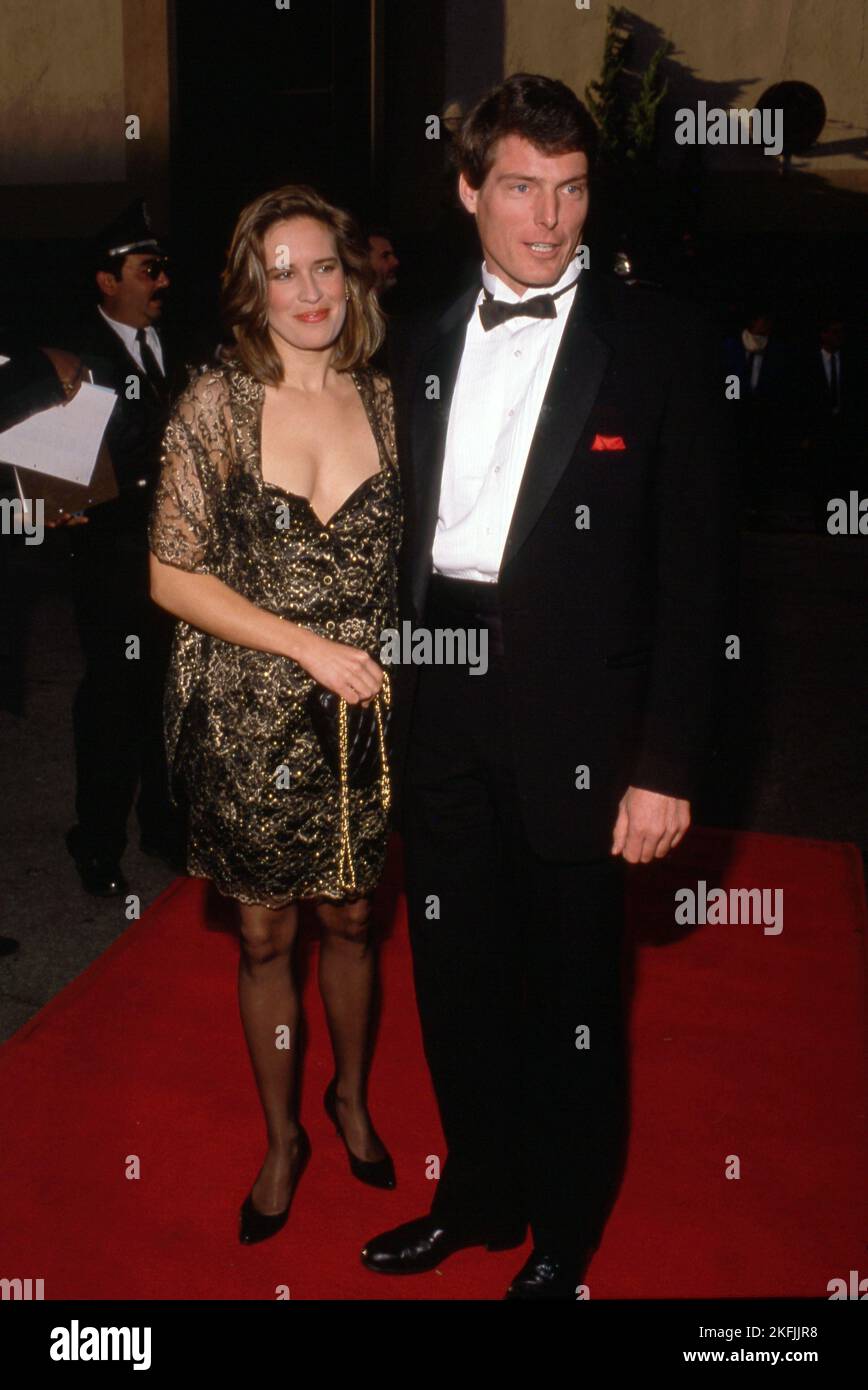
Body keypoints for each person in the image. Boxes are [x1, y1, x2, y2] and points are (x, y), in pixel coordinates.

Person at [362, 73, 737, 1299]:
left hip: (586, 713)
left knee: (575, 996)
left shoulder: (660, 339)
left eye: (571, 190)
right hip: (441, 693)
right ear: (468, 186)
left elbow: (698, 576)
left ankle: (563, 1235)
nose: (548, 219)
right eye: (520, 187)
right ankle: (474, 1199)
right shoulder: (414, 335)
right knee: (454, 977)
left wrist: (666, 765)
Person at [148, 185, 402, 1244]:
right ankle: (281, 1135)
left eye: (324, 266)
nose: (309, 290)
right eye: (282, 271)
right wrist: (304, 646)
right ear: (251, 291)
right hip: (249, 709)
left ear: (353, 273)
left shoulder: (394, 399)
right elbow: (170, 575)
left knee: (350, 915)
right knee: (263, 933)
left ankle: (349, 1096)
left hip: (369, 714)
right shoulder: (214, 404)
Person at [63, 200, 187, 895]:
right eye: (148, 270)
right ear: (108, 281)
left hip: (180, 555)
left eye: (164, 269)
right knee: (113, 699)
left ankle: (165, 824)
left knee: (171, 696)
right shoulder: (74, 357)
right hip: (113, 558)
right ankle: (97, 841)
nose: (161, 282)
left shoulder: (184, 343)